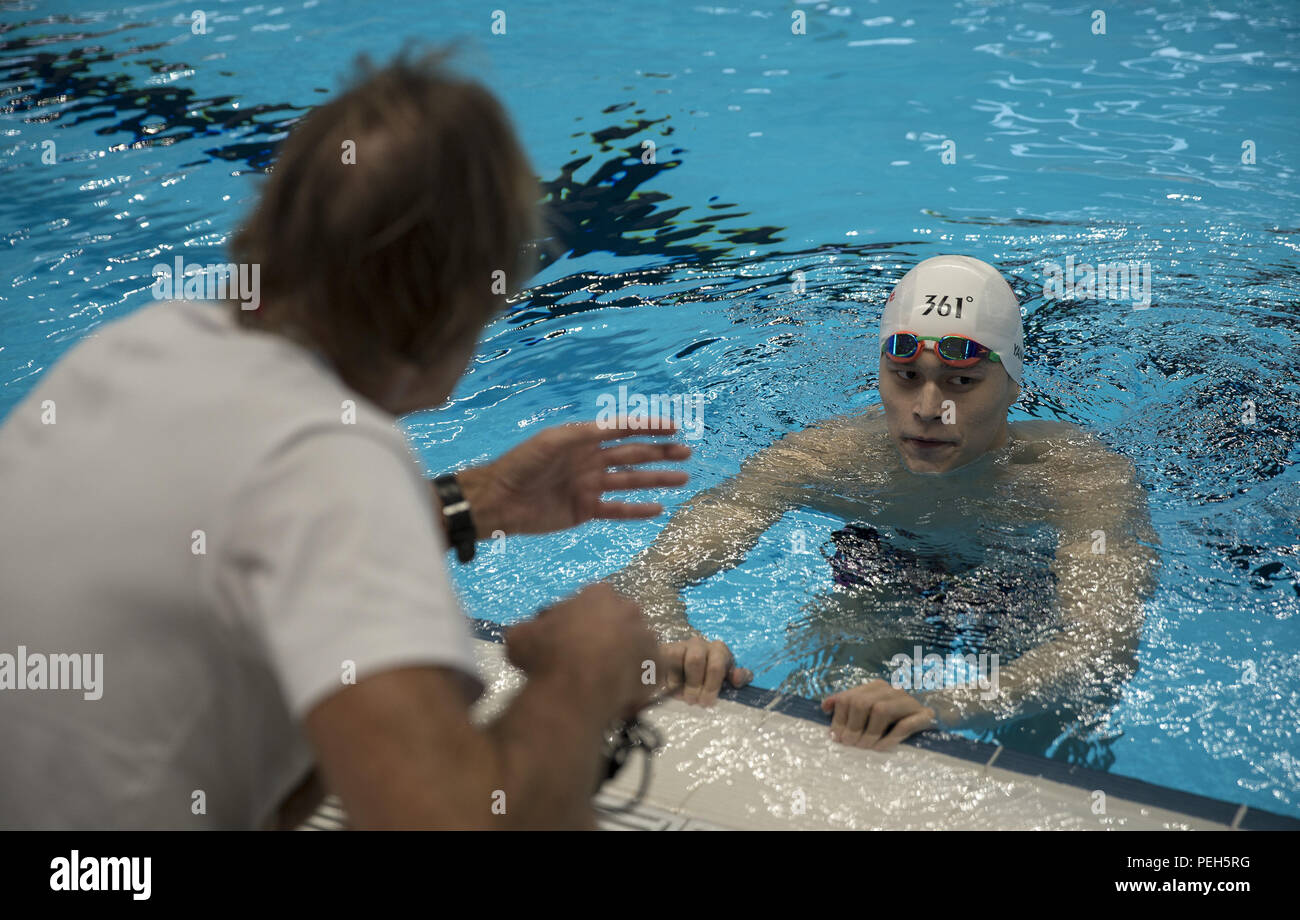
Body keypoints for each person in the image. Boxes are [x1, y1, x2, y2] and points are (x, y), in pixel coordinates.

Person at [0, 49, 694, 830]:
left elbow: (250, 549)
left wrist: (471, 504)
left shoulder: (139, 346)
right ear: (466, 301)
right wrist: (583, 672)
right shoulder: (332, 460)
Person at [608, 255, 1159, 759]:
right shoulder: (824, 459)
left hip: (1022, 585)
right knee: (823, 700)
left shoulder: (1077, 478)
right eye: (906, 378)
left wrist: (941, 707)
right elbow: (648, 575)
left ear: (1013, 384)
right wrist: (674, 638)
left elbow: (1101, 647)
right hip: (888, 572)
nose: (927, 410)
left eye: (961, 382)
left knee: (1051, 733)